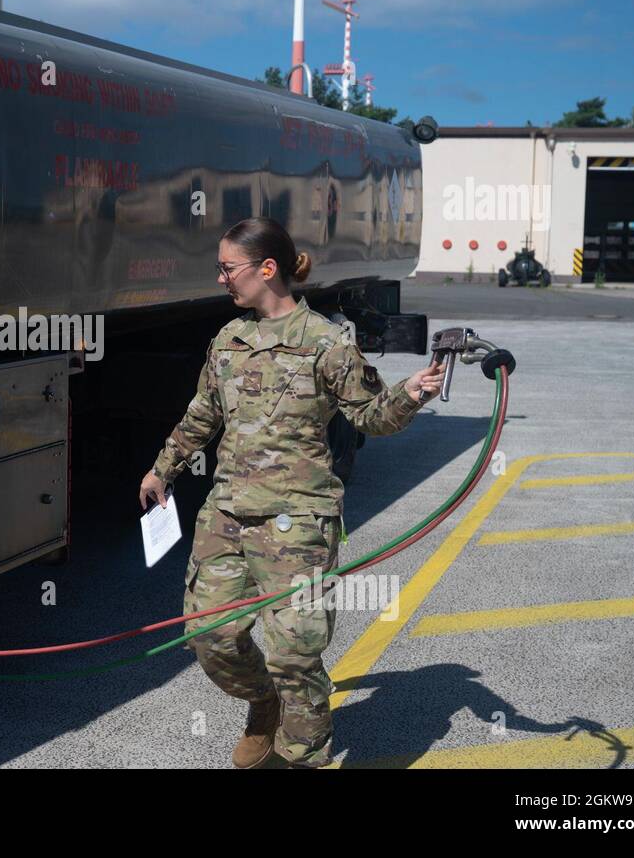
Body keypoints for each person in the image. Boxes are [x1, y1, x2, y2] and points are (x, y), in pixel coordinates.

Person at [138, 217, 445, 769]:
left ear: (268, 269)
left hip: (298, 520)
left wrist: (412, 392)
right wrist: (164, 469)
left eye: (228, 268)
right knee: (211, 636)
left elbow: (369, 416)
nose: (221, 279)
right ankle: (264, 703)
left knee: (295, 655)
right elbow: (203, 413)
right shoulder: (228, 340)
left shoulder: (327, 343)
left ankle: (301, 754)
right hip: (227, 512)